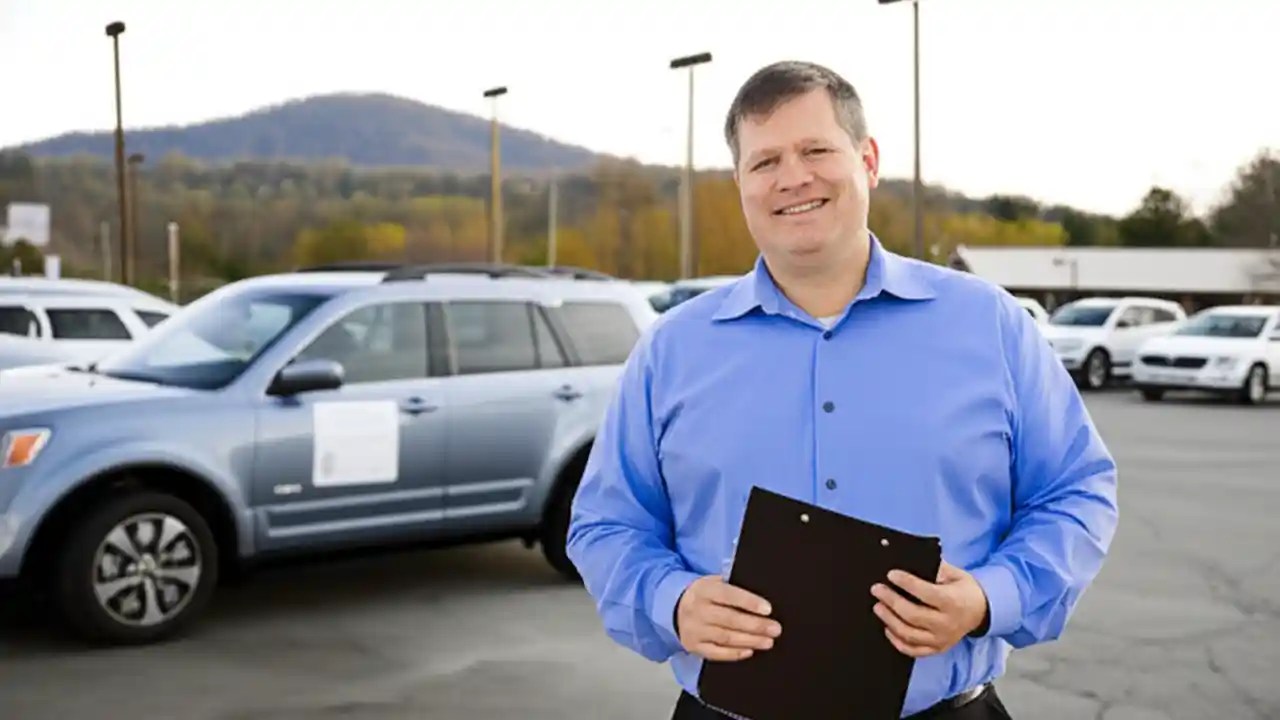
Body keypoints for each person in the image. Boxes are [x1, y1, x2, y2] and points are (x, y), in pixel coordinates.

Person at [565, 60, 1119, 719]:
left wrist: (989, 597)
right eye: (764, 161)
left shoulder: (989, 325)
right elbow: (606, 522)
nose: (792, 178)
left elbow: (1076, 491)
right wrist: (670, 601)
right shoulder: (673, 348)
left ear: (868, 159)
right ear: (739, 183)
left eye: (816, 150)